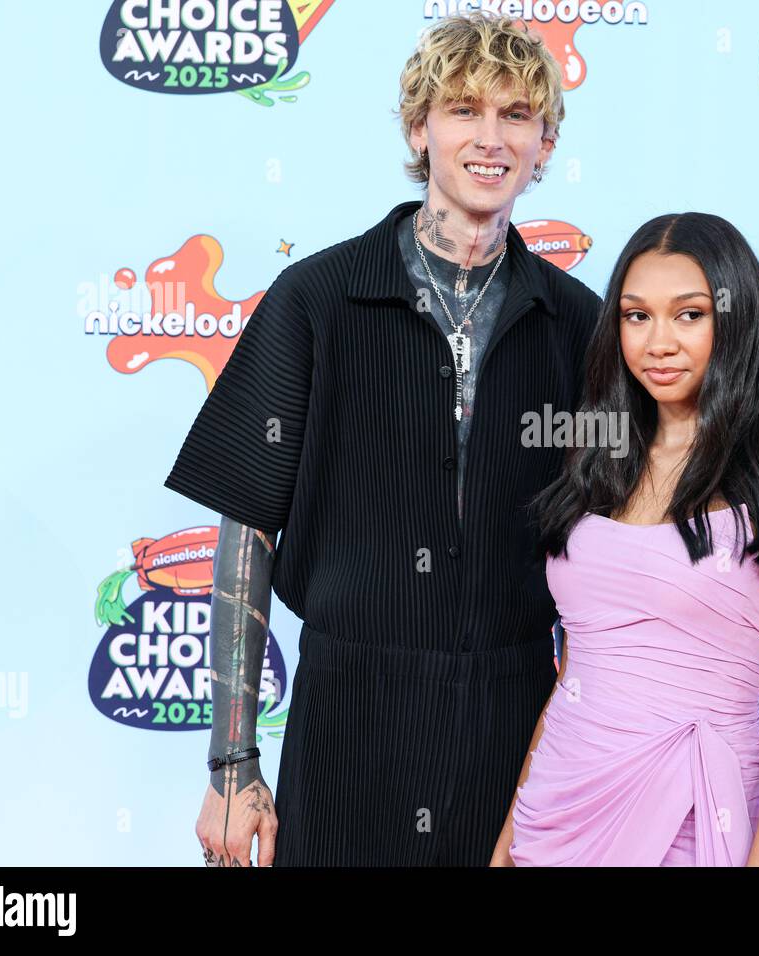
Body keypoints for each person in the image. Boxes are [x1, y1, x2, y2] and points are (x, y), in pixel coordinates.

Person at [169, 11, 601, 866]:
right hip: (346, 717)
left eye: (516, 115)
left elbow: (609, 552)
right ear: (419, 128)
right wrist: (231, 762)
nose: (490, 137)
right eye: (464, 110)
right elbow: (247, 531)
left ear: (545, 142)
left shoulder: (578, 324)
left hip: (515, 729)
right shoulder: (317, 300)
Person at [494, 213, 759, 866]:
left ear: (735, 318)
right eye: (637, 316)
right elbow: (573, 671)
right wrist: (508, 842)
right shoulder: (591, 445)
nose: (659, 342)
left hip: (697, 815)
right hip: (558, 809)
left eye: (688, 315)